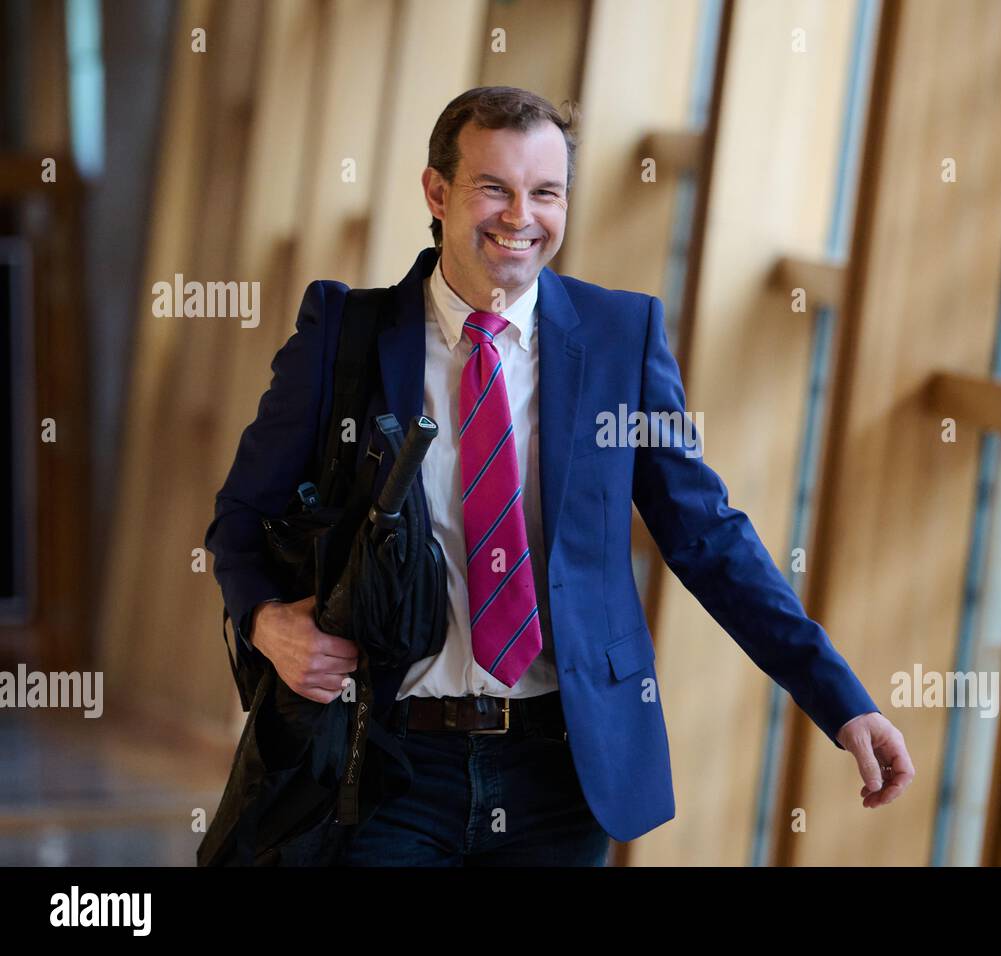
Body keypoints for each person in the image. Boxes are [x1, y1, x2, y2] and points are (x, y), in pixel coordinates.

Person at [206, 85, 914, 867]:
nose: (520, 217)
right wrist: (268, 623)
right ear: (437, 193)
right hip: (385, 768)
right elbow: (241, 516)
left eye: (545, 192)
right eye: (493, 189)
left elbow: (707, 536)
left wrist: (842, 701)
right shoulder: (347, 334)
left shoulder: (619, 338)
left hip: (561, 775)